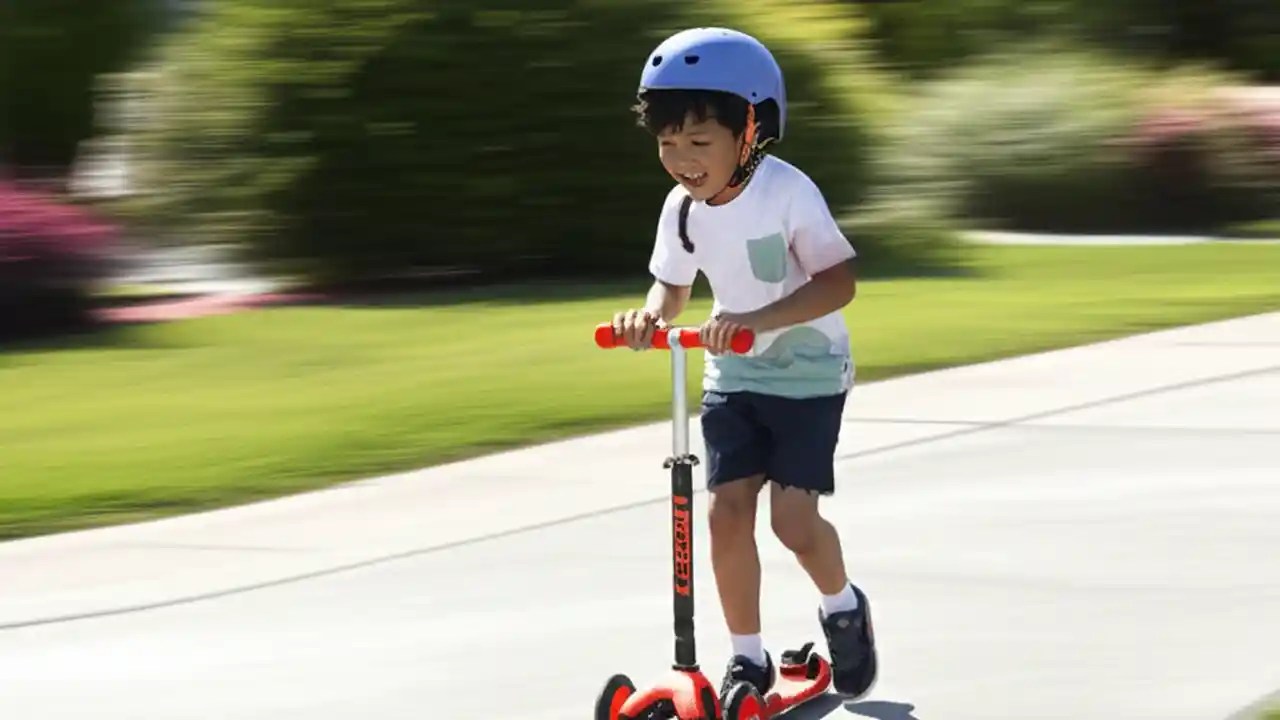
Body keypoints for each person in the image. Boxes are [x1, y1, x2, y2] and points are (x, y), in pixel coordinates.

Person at [610, 27, 878, 700]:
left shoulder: (787, 192)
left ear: (750, 129)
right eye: (667, 144)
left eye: (699, 143)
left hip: (809, 372)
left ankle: (843, 609)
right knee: (726, 514)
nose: (681, 161)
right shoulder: (682, 211)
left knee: (792, 521)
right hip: (735, 376)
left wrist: (754, 322)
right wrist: (651, 316)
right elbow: (671, 287)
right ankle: (748, 659)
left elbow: (838, 282)